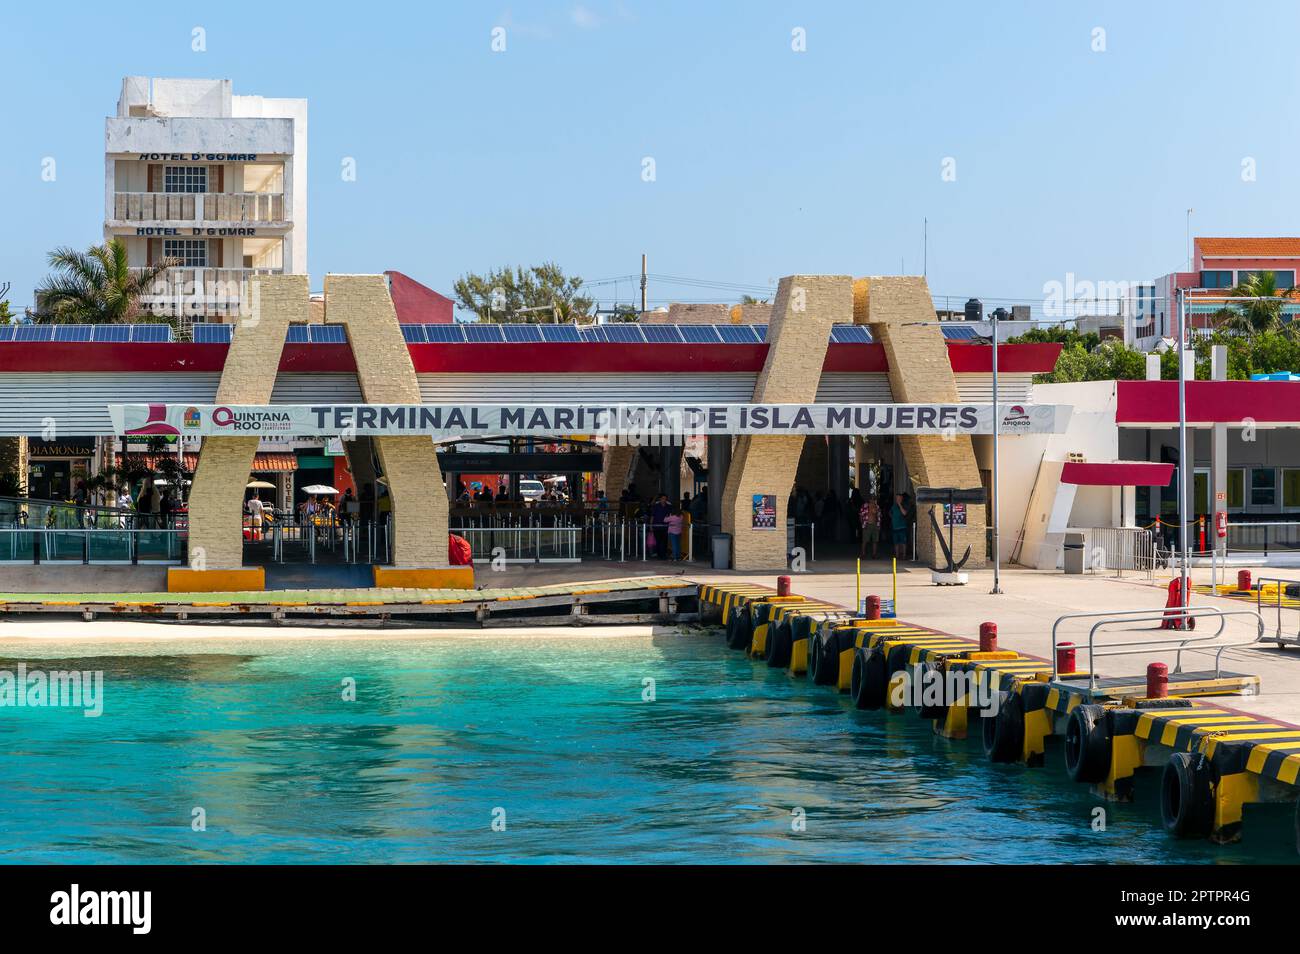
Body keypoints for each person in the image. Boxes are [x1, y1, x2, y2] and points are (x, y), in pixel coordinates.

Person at [650, 493, 671, 559]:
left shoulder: (668, 506)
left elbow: (670, 516)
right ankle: (659, 554)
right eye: (662, 499)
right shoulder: (656, 506)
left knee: (665, 541)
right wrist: (651, 525)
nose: (664, 500)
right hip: (656, 526)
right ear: (660, 499)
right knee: (658, 541)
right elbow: (652, 516)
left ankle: (664, 554)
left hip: (665, 526)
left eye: (665, 499)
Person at [859, 495, 881, 559]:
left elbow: (879, 517)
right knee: (865, 540)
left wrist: (876, 513)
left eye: (874, 499)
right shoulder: (865, 506)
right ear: (869, 500)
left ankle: (874, 554)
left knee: (875, 540)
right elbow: (861, 515)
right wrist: (862, 524)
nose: (873, 500)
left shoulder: (877, 506)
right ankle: (863, 554)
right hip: (867, 524)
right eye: (871, 499)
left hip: (875, 525)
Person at [890, 493, 909, 560]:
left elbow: (904, 513)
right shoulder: (893, 506)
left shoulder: (904, 505)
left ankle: (904, 555)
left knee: (903, 542)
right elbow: (890, 513)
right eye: (896, 498)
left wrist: (900, 505)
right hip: (895, 527)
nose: (897, 499)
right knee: (896, 542)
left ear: (901, 499)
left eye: (899, 498)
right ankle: (897, 555)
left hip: (902, 527)